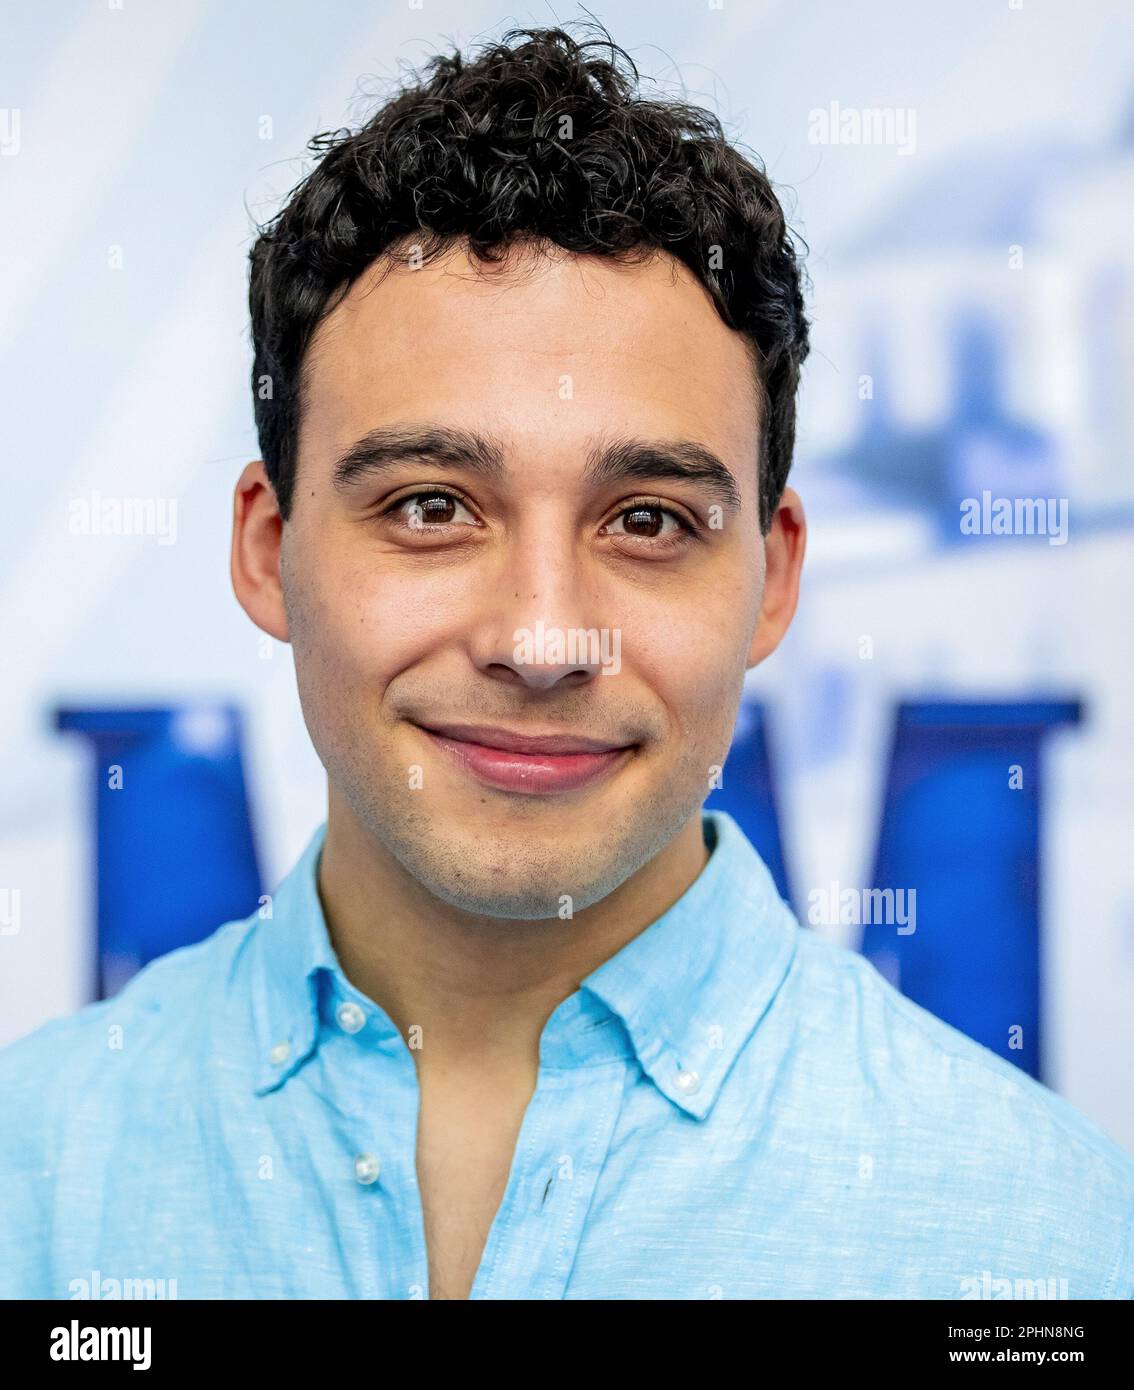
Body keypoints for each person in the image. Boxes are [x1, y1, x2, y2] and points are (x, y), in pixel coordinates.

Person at [1, 23, 1131, 1301]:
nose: (542, 641)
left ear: (777, 576)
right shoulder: (29, 1184)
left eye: (647, 520)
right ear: (268, 549)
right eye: (431, 506)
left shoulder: (1052, 1244)